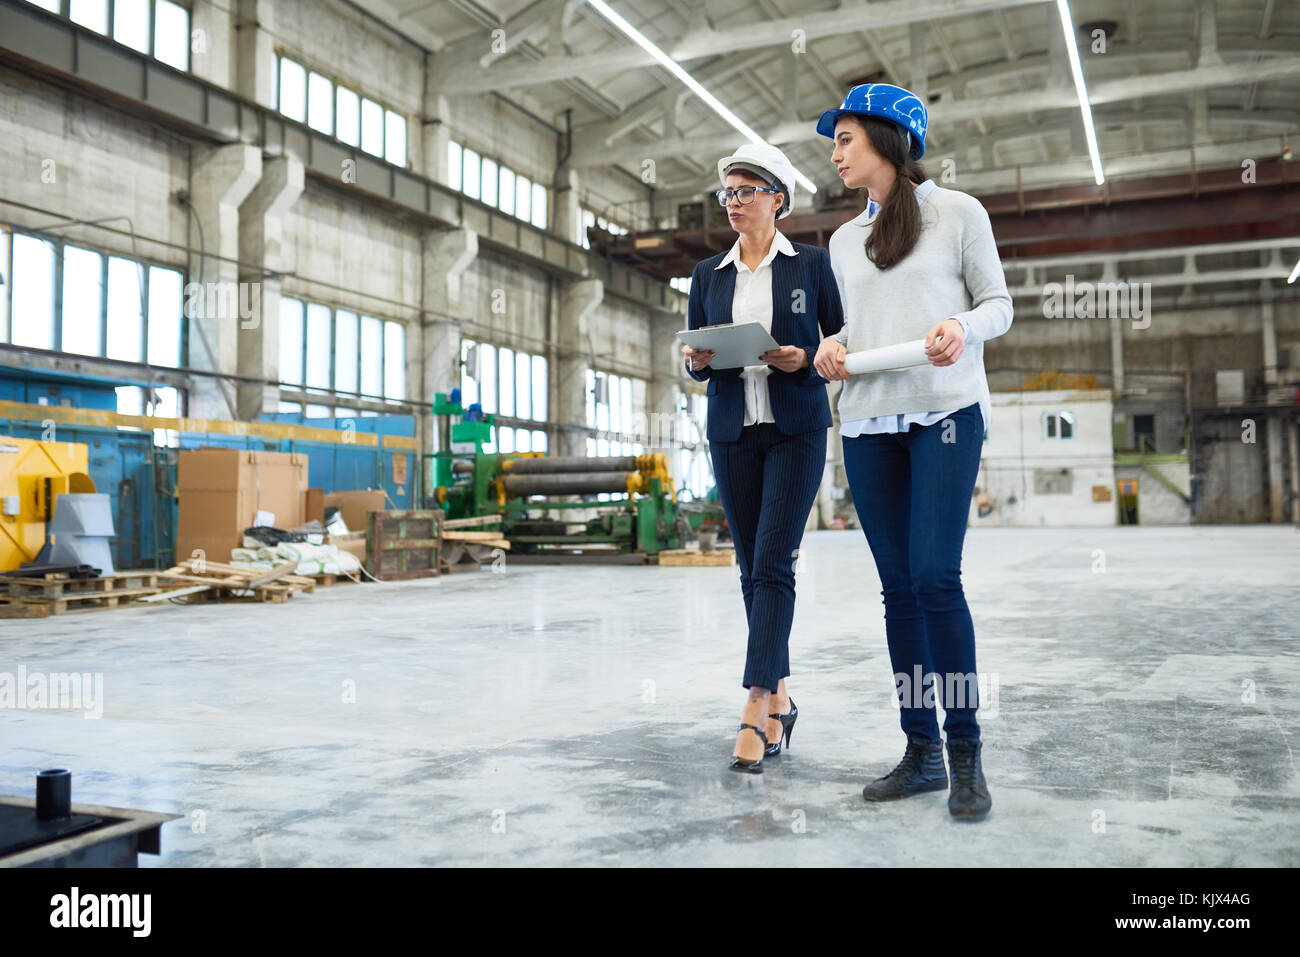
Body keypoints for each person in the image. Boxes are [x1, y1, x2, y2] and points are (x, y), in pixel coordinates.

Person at [812, 83, 1013, 819]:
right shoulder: (839, 241)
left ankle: (964, 752)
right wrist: (830, 349)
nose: (835, 154)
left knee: (934, 576)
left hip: (945, 412)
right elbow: (847, 332)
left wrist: (963, 325)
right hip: (868, 421)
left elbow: (1000, 303)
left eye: (845, 140)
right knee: (897, 589)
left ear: (890, 140)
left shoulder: (957, 214)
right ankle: (920, 750)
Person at [681, 143, 844, 773]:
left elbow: (839, 338)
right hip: (732, 430)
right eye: (729, 192)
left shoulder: (812, 266)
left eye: (748, 190)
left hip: (796, 428)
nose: (736, 202)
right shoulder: (707, 275)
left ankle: (754, 703)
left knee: (774, 561)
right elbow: (698, 358)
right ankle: (780, 693)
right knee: (750, 568)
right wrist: (696, 360)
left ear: (778, 197)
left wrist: (807, 356)